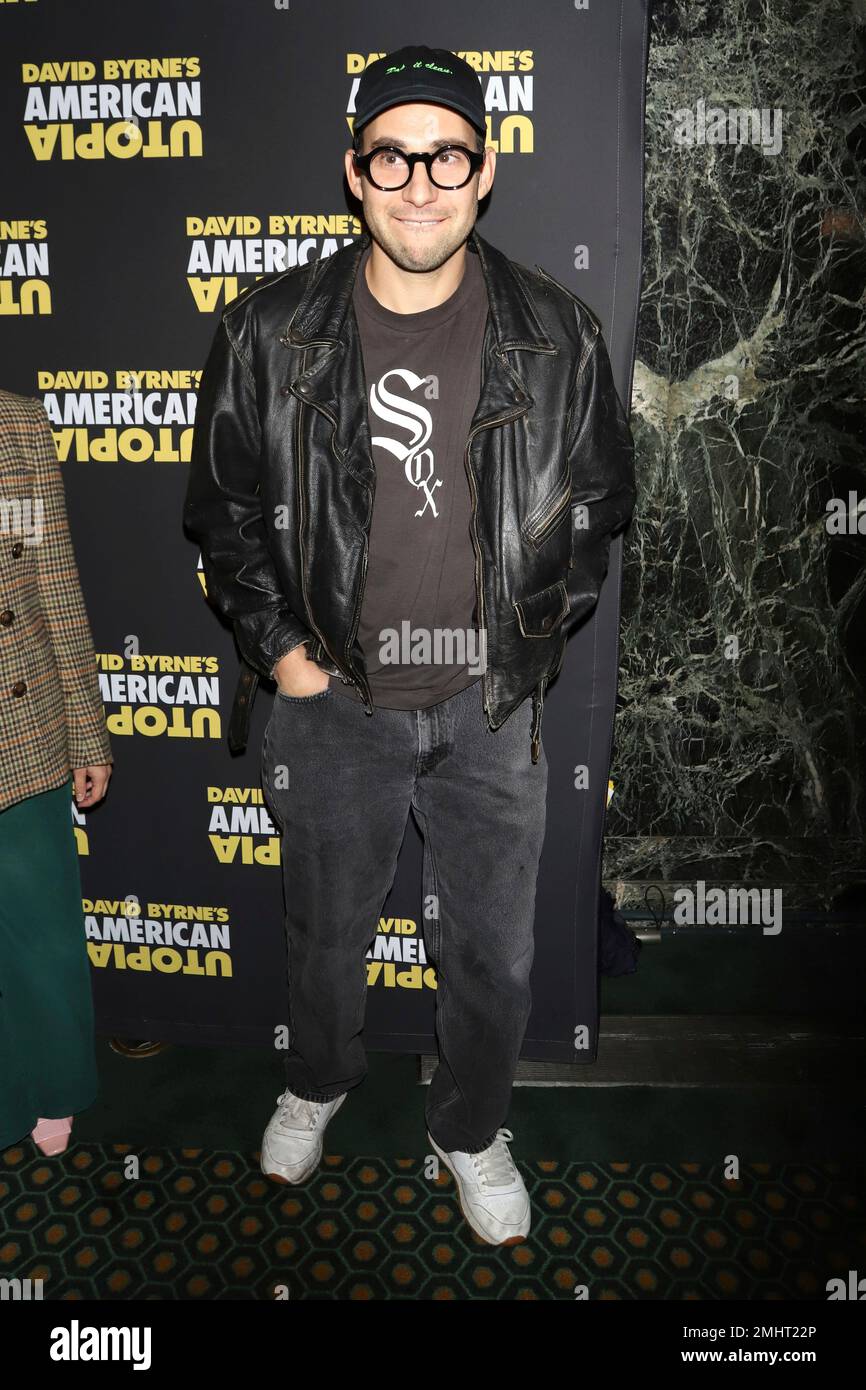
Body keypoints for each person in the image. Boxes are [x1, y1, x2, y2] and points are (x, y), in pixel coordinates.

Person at [183, 45, 635, 1245]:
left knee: (490, 955)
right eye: (393, 153)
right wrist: (282, 653)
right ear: (355, 171)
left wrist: (525, 641)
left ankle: (469, 1126)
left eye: (445, 154)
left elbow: (597, 507)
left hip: (490, 710)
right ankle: (318, 1083)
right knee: (325, 937)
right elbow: (223, 511)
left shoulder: (560, 334)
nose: (419, 180)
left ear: (482, 172)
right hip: (332, 702)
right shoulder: (270, 334)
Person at [0, 389, 113, 1156]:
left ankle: (51, 1086)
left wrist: (87, 732)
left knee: (39, 929)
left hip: (20, 720)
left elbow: (54, 586)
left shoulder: (17, 428)